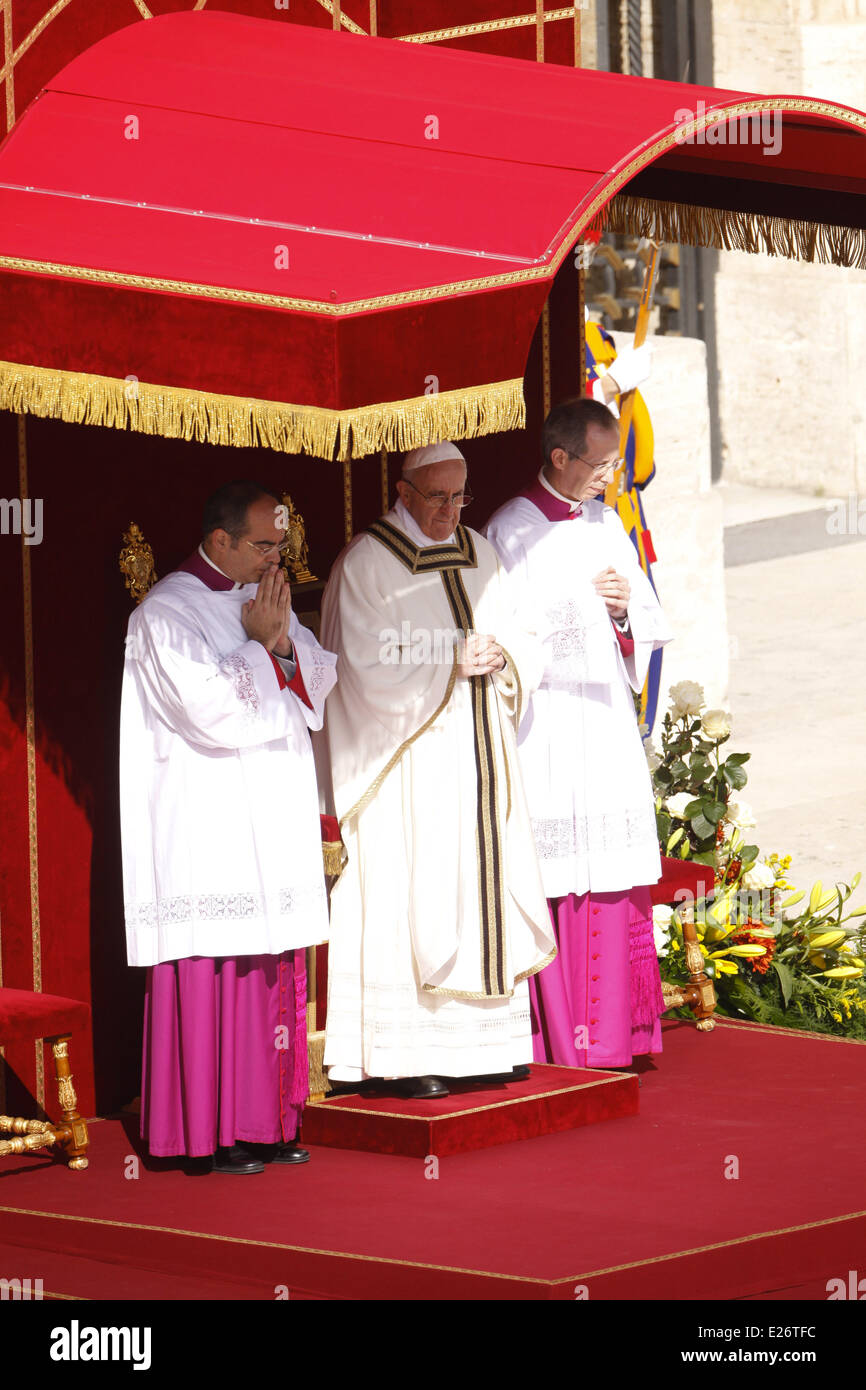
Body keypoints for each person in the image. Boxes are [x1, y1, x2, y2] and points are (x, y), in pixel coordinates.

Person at [317, 442, 555, 1098]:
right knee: (412, 887)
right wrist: (448, 659)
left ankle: (487, 1048)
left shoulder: (482, 553)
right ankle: (405, 1055)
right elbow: (355, 666)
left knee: (482, 883)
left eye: (460, 497)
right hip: (406, 766)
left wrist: (501, 656)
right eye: (437, 497)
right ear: (403, 490)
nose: (450, 511)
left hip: (480, 756)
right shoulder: (368, 563)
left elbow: (522, 638)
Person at [120, 480, 337, 1173]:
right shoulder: (165, 614)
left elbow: (316, 679)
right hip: (207, 819)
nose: (281, 559)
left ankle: (269, 1119)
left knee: (269, 964)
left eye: (283, 543)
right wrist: (261, 647)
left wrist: (277, 647)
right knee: (220, 966)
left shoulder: (263, 597)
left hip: (270, 810)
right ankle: (206, 1134)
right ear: (220, 540)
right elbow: (208, 711)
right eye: (267, 545)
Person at [484, 399, 673, 1072]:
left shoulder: (605, 520)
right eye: (601, 464)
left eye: (616, 462)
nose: (610, 477)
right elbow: (506, 628)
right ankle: (557, 1041)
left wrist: (622, 616)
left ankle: (616, 1034)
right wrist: (589, 610)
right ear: (560, 457)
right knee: (558, 871)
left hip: (603, 723)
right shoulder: (510, 532)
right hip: (549, 725)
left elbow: (645, 617)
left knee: (611, 869)